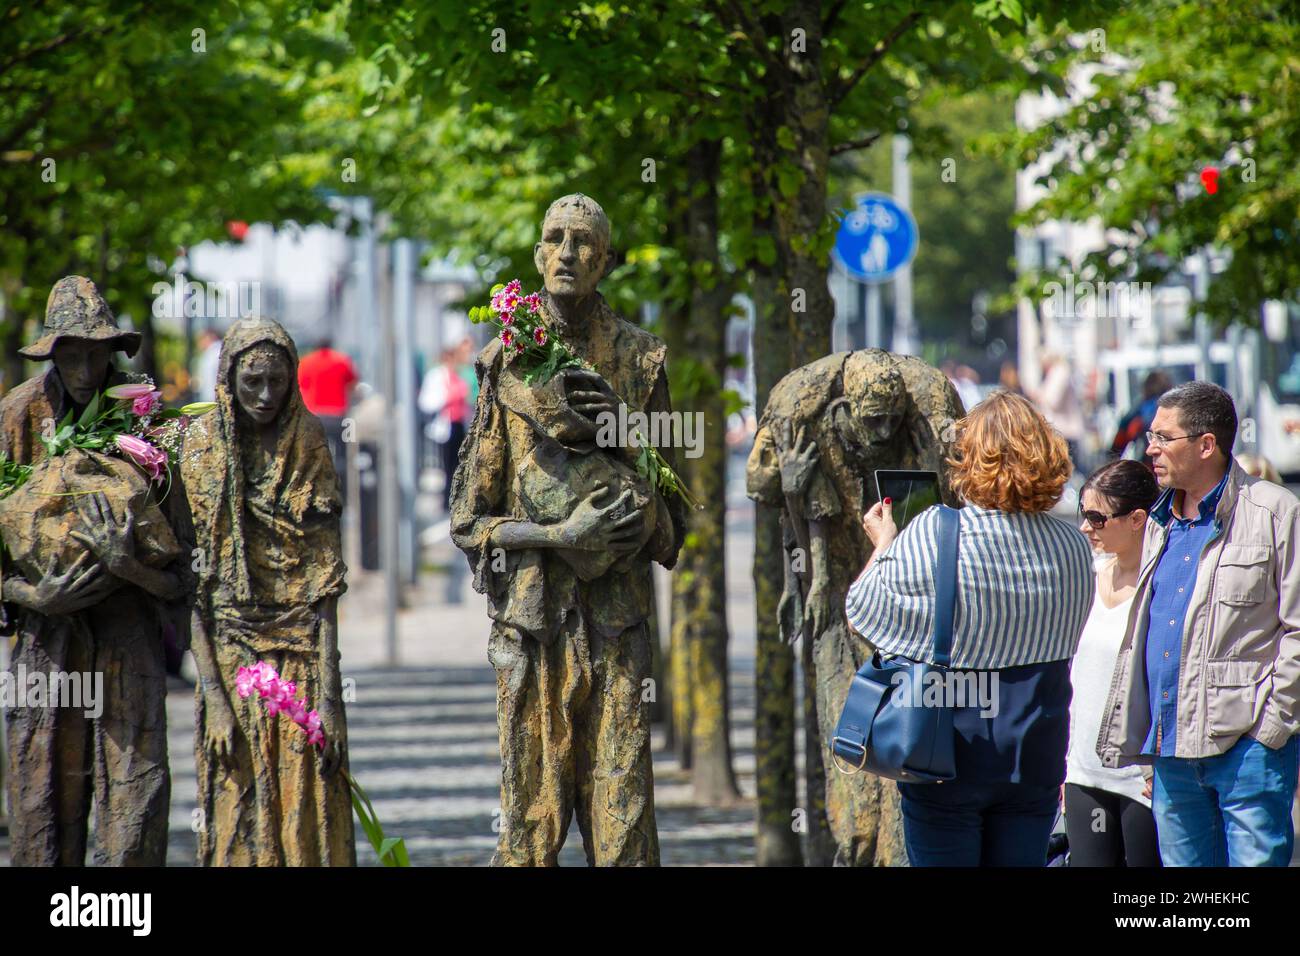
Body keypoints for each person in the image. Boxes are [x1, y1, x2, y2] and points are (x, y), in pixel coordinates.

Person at [449, 193, 686, 866]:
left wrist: (619, 423)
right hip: (533, 625)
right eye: (555, 238)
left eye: (584, 242)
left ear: (605, 262)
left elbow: (676, 524)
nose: (568, 253)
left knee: (625, 830)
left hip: (618, 628)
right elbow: (470, 522)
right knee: (529, 825)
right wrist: (562, 536)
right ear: (536, 256)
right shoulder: (505, 364)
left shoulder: (641, 363)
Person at [845, 389, 1094, 866]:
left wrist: (883, 542)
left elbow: (861, 609)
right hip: (1036, 753)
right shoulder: (1074, 545)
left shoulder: (935, 531)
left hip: (948, 752)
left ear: (970, 459)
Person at [0, 276, 188, 866]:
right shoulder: (16, 417)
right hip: (47, 638)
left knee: (135, 799)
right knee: (43, 802)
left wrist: (128, 565)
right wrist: (33, 592)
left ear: (114, 351)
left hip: (126, 633)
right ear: (52, 352)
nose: (85, 367)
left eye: (96, 352)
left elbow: (183, 573)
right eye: (71, 352)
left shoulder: (147, 419)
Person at [1099, 381, 1300, 866]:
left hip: (1247, 752)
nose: (1150, 448)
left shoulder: (1275, 512)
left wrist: (1271, 727)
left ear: (1206, 444)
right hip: (1170, 754)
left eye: (1164, 438)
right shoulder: (1155, 522)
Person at [180, 318, 355, 866]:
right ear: (228, 378)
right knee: (239, 811)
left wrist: (330, 700)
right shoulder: (200, 449)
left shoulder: (308, 443)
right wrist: (212, 694)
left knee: (308, 807)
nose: (264, 395)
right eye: (252, 381)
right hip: (231, 656)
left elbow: (325, 582)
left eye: (277, 381)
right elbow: (193, 591)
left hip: (301, 650)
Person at [1065, 459, 1162, 866]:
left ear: (1138, 519)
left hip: (1141, 779)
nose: (1085, 527)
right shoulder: (1087, 577)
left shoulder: (1163, 587)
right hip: (1083, 774)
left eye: (1096, 517)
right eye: (1082, 514)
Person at [297, 335, 357, 498]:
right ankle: (342, 492)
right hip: (339, 416)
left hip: (315, 415)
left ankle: (314, 492)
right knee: (344, 456)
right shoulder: (342, 360)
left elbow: (300, 386)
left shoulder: (306, 361)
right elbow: (352, 384)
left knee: (311, 455)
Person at [419, 346, 471, 513]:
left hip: (459, 424)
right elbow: (426, 402)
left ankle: (457, 498)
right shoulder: (436, 376)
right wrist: (447, 397)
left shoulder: (459, 375)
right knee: (447, 465)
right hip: (444, 427)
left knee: (459, 464)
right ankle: (448, 499)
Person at [1030, 352, 1085, 470]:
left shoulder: (1059, 373)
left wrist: (1038, 395)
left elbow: (1053, 401)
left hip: (1064, 430)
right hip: (1061, 430)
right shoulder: (1057, 373)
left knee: (1068, 470)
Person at [1110, 369, 1172, 466]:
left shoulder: (1138, 412)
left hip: (1148, 466)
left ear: (1145, 389)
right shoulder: (1176, 410)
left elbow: (1117, 448)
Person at [192, 327, 223, 403]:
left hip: (214, 399)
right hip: (213, 398)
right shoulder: (211, 353)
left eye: (201, 339)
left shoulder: (214, 352)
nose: (199, 343)